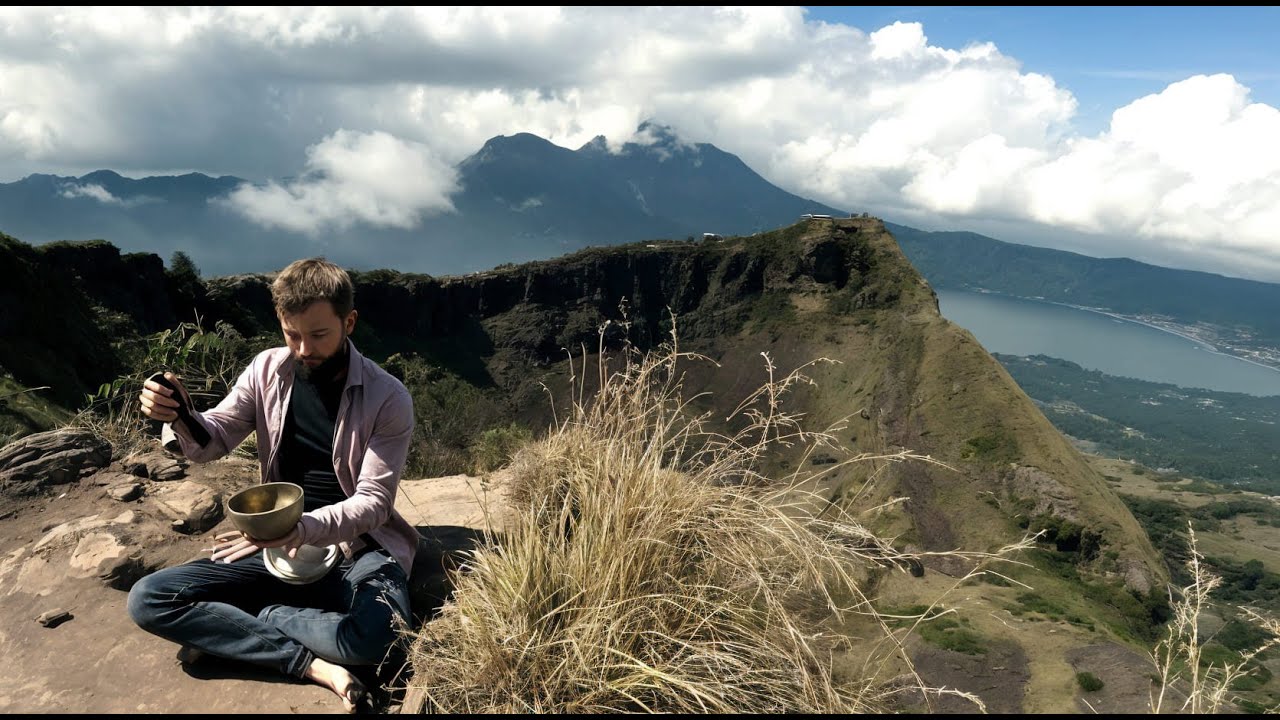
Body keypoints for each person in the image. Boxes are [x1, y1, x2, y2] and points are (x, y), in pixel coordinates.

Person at [127, 257, 419, 713]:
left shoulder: (388, 397)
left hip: (357, 549)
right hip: (275, 546)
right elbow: (213, 439)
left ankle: (256, 617)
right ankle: (311, 665)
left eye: (318, 334)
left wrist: (299, 529)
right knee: (150, 599)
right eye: (291, 334)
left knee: (379, 638)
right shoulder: (267, 369)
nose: (303, 349)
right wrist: (181, 414)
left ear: (349, 323)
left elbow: (374, 503)